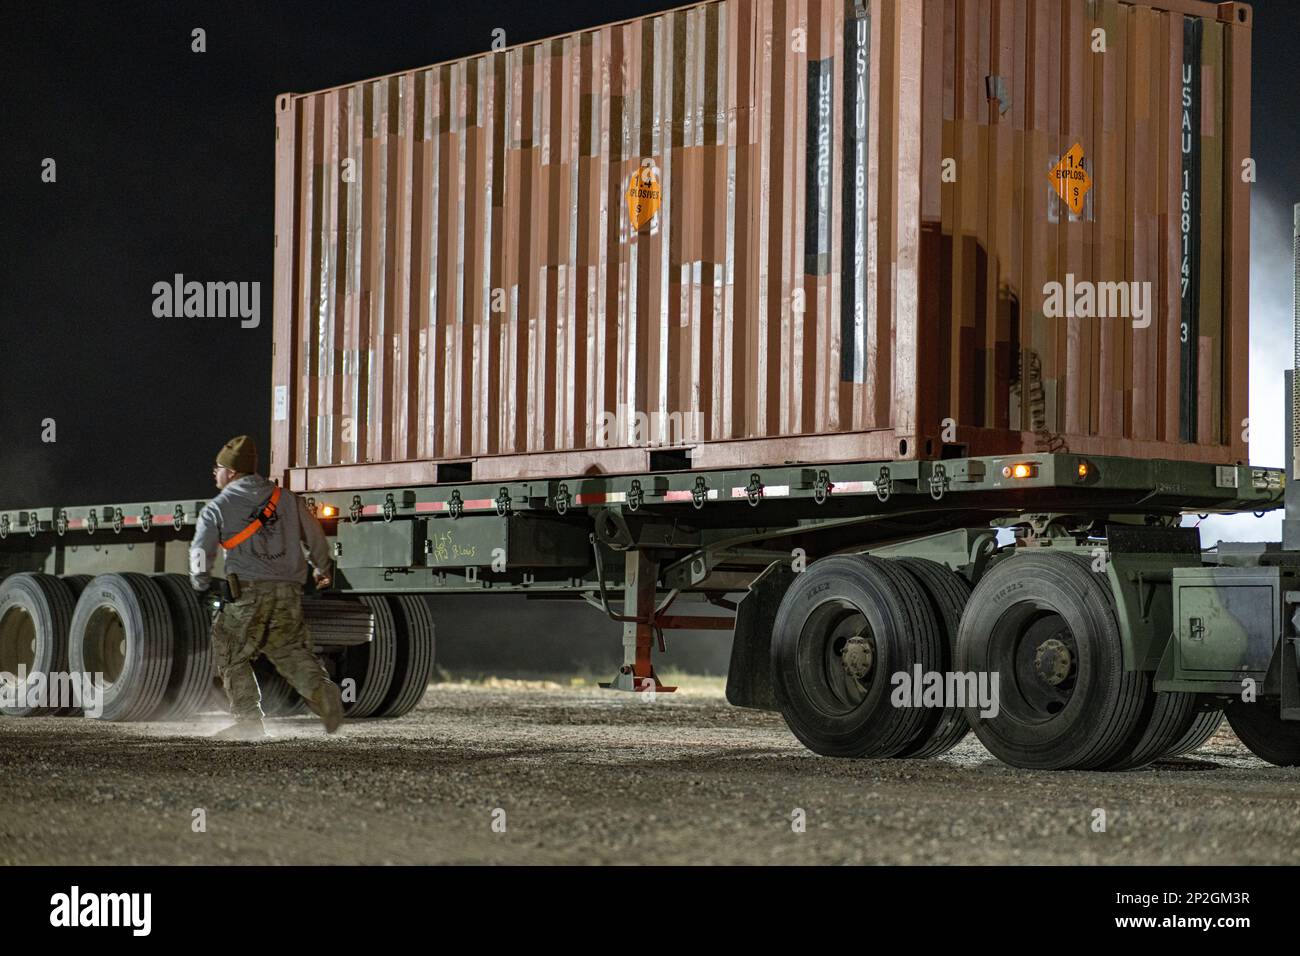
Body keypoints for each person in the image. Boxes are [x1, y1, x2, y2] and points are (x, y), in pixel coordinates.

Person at [190, 435, 344, 740]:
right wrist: (322, 570)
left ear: (231, 472)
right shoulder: (287, 499)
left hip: (247, 592)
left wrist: (201, 585)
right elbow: (315, 538)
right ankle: (326, 696)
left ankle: (249, 721)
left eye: (217, 468)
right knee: (289, 650)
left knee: (229, 648)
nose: (214, 474)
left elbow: (200, 551)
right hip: (288, 592)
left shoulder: (218, 506)